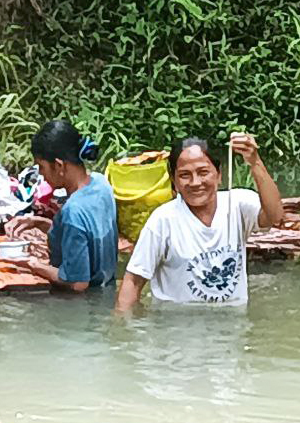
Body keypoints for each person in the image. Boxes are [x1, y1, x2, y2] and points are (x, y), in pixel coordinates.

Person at [115, 133, 284, 310]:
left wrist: (254, 161)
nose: (195, 183)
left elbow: (275, 216)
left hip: (232, 327)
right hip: (176, 327)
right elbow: (133, 281)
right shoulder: (163, 221)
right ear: (174, 182)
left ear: (219, 175)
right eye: (185, 175)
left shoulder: (237, 204)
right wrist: (124, 327)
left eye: (203, 172)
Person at [6, 120, 118, 291]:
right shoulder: (101, 184)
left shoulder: (72, 212)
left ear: (59, 165)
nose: (41, 175)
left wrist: (32, 264)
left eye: (41, 167)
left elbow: (78, 283)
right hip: (108, 290)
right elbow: (88, 234)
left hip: (83, 305)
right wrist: (38, 223)